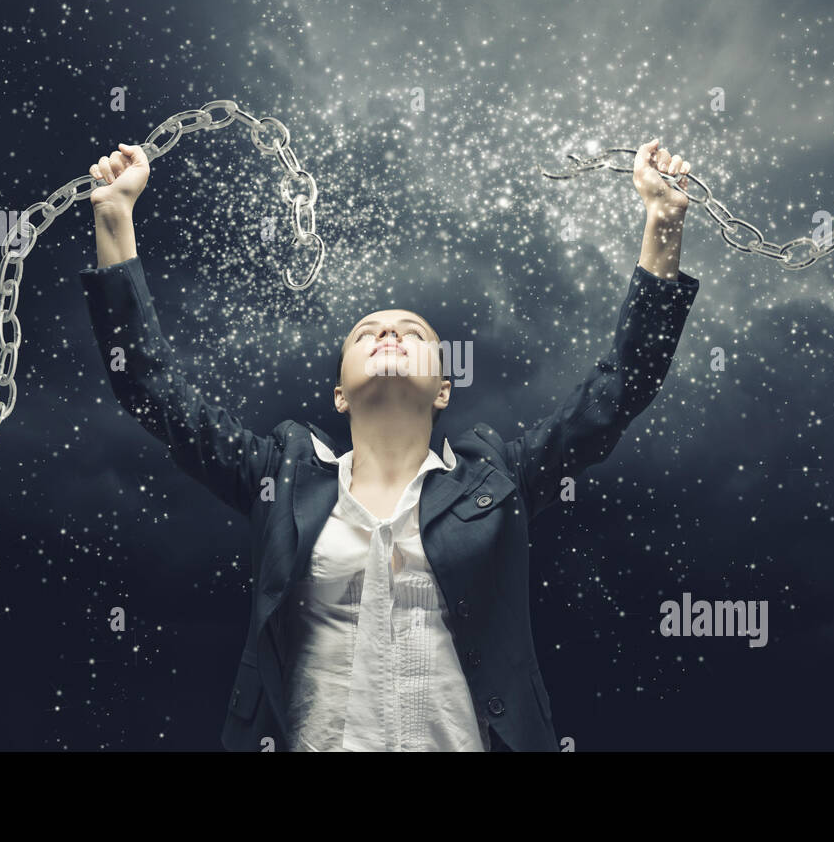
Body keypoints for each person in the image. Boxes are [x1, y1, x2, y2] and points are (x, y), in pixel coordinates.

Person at [78, 137, 701, 751]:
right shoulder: (281, 475)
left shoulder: (499, 478)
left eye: (411, 332)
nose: (389, 335)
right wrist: (114, 216)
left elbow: (616, 392)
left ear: (443, 390)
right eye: (367, 333)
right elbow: (151, 388)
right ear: (341, 395)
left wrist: (663, 222)